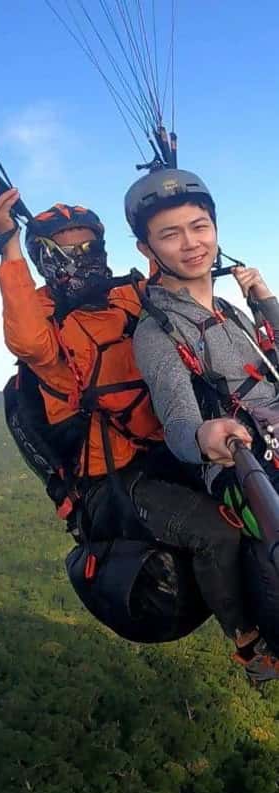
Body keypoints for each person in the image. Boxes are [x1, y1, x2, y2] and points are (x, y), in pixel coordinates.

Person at [0, 179, 279, 681]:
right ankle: (249, 644)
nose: (82, 258)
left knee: (251, 507)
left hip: (173, 449)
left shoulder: (130, 296)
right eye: (68, 250)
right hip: (115, 477)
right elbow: (25, 335)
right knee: (216, 533)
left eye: (89, 246)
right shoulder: (48, 326)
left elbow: (176, 269)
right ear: (46, 258)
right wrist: (7, 241)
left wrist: (169, 187)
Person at [127, 167, 279, 674]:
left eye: (200, 227)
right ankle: (250, 638)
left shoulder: (231, 310)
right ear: (148, 251)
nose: (191, 244)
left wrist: (264, 300)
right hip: (243, 465)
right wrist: (203, 436)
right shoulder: (156, 331)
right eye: (170, 234)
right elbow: (176, 419)